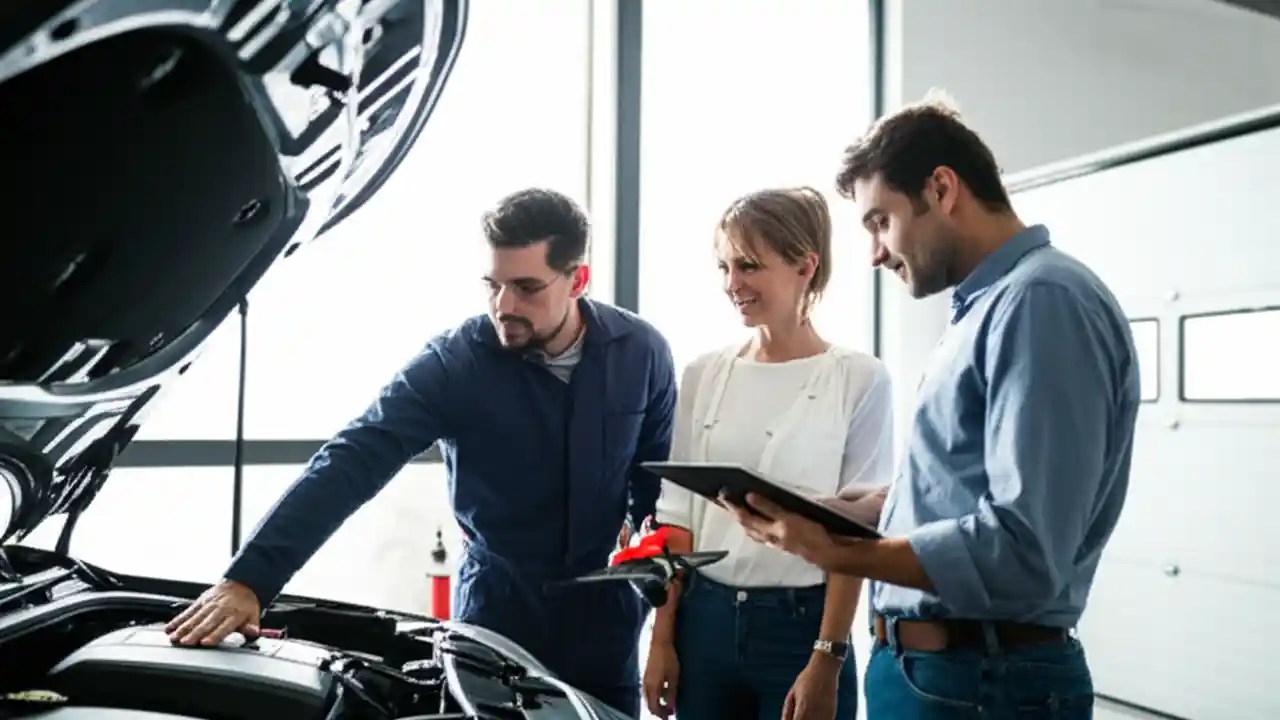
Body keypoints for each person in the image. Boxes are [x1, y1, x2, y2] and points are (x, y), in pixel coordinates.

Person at [164, 188, 677, 718]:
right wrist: (250, 580)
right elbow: (354, 458)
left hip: (606, 627)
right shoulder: (455, 365)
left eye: (526, 288)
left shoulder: (642, 353)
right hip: (497, 624)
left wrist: (659, 607)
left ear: (578, 279)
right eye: (493, 285)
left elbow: (660, 493)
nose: (504, 306)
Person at [721, 94, 1141, 719]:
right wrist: (865, 510)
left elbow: (1023, 549)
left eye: (879, 222)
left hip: (982, 681)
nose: (874, 253)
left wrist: (838, 553)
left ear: (942, 188)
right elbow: (964, 490)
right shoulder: (988, 307)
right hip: (944, 675)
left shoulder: (1042, 302)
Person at [642, 187, 895, 720]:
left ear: (806, 266)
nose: (732, 284)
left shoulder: (858, 378)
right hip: (702, 622)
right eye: (725, 266)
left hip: (801, 628)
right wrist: (661, 639)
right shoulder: (703, 373)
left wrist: (826, 657)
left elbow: (856, 534)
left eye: (749, 266)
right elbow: (676, 517)